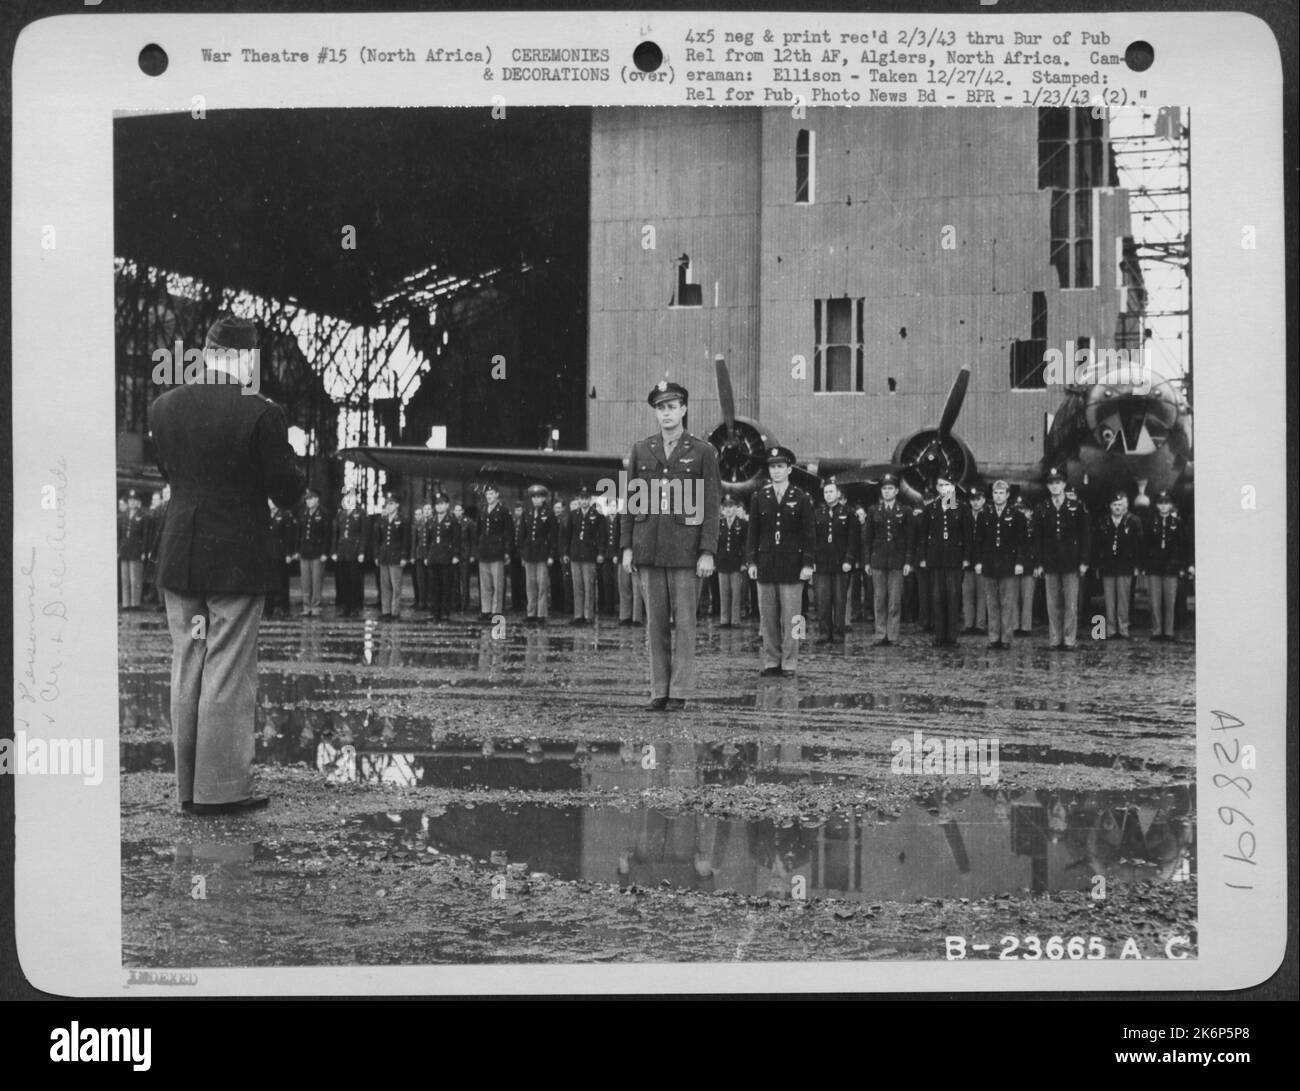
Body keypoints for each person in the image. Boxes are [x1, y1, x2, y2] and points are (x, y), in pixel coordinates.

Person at [149, 314, 305, 815]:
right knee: (227, 668)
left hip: (180, 553)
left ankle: (187, 789)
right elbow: (285, 490)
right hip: (236, 558)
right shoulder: (261, 413)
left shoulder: (164, 407)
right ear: (248, 359)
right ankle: (221, 790)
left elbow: (169, 473)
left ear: (206, 351)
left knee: (188, 661)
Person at [621, 380, 720, 710]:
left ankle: (679, 692)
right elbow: (631, 502)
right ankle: (658, 690)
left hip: (686, 552)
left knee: (686, 626)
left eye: (672, 407)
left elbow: (710, 504)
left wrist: (707, 551)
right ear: (656, 413)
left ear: (684, 410)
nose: (666, 413)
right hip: (648, 548)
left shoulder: (703, 451)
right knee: (655, 625)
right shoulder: (641, 449)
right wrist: (627, 547)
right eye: (660, 408)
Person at [746, 445, 815, 675]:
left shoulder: (801, 498)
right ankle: (771, 660)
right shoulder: (759, 497)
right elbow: (752, 532)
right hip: (766, 565)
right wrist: (752, 561)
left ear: (789, 469)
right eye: (772, 467)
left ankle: (790, 662)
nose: (775, 471)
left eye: (780, 467)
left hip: (793, 567)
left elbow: (809, 534)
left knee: (794, 618)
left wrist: (807, 564)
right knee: (768, 617)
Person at [1033, 467, 1091, 650]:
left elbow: (1085, 535)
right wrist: (1039, 563)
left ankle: (1069, 639)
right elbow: (1037, 538)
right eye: (1051, 483)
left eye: (1058, 483)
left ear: (1064, 484)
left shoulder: (1076, 507)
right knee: (1053, 603)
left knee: (1071, 603)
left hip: (1070, 562)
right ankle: (1055, 639)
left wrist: (1084, 561)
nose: (1055, 486)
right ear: (1048, 486)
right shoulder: (1042, 508)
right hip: (1050, 563)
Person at [916, 474, 971, 646]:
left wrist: (967, 558)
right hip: (936, 560)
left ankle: (952, 637)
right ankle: (939, 636)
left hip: (954, 560)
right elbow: (923, 536)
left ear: (953, 487)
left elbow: (968, 536)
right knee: (937, 597)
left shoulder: (962, 508)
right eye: (941, 485)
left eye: (947, 485)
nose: (944, 488)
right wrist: (923, 557)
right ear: (937, 488)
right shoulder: (931, 508)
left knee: (953, 597)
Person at [862, 471, 914, 646]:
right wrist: (867, 561)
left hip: (897, 562)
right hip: (878, 561)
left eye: (890, 488)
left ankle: (892, 635)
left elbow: (909, 539)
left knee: (894, 600)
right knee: (879, 598)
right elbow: (868, 538)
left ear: (897, 491)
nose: (887, 492)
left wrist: (908, 561)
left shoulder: (905, 511)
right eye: (884, 489)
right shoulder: (873, 510)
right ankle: (880, 633)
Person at [973, 479, 1027, 649]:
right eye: (996, 493)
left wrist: (1019, 562)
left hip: (1008, 565)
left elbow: (1021, 542)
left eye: (1002, 493)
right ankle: (994, 637)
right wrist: (979, 562)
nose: (998, 496)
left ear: (1008, 495)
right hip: (989, 564)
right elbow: (979, 541)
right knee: (992, 603)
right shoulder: (984, 514)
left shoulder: (1017, 515)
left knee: (1007, 603)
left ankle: (1006, 638)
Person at [1094, 490, 1144, 640]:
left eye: (1120, 505)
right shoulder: (1103, 521)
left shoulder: (1134, 521)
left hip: (1125, 566)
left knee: (1123, 599)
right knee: (1109, 599)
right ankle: (1110, 630)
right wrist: (1098, 565)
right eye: (1114, 505)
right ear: (1110, 506)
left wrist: (1137, 565)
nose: (1117, 507)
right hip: (1108, 566)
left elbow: (1139, 545)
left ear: (1126, 506)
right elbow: (1097, 545)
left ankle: (1123, 629)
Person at [812, 478, 857, 644]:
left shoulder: (849, 512)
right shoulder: (817, 513)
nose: (828, 494)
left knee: (839, 600)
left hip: (841, 564)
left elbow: (853, 539)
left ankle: (838, 633)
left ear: (838, 493)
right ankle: (824, 633)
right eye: (825, 492)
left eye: (831, 491)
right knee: (822, 601)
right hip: (822, 564)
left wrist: (849, 560)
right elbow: (813, 538)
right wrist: (813, 560)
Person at [1144, 490, 1192, 641]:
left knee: (1170, 600)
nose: (1164, 507)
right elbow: (1145, 545)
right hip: (1154, 566)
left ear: (1171, 505)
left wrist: (1183, 564)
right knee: (1155, 601)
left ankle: (1169, 631)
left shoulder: (1177, 523)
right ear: (1157, 505)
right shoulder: (1151, 522)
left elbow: (1184, 545)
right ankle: (1157, 630)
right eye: (1161, 503)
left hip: (1171, 567)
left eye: (1166, 503)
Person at [518, 483, 558, 626]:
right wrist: (522, 554)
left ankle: (541, 614)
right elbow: (522, 536)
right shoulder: (526, 513)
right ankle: (531, 613)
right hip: (529, 554)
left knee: (541, 585)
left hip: (542, 553)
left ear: (544, 499)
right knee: (530, 585)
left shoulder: (549, 514)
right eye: (534, 497)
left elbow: (553, 536)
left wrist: (551, 555)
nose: (536, 500)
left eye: (539, 497)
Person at [566, 486, 605, 626]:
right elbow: (567, 535)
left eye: (586, 499)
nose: (583, 501)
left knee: (589, 585)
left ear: (590, 500)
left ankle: (588, 615)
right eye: (581, 499)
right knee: (577, 585)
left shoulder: (597, 516)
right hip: (576, 554)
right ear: (579, 500)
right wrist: (565, 552)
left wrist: (600, 553)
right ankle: (578, 615)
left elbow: (601, 536)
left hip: (590, 554)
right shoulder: (573, 514)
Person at [424, 491, 462, 621]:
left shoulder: (452, 520)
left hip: (447, 557)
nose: (439, 507)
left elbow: (457, 539)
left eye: (442, 504)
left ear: (447, 505)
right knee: (434, 586)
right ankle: (434, 611)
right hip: (434, 556)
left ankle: (445, 612)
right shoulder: (431, 520)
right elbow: (428, 540)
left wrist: (456, 555)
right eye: (437, 504)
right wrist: (426, 556)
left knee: (446, 586)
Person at [372, 492, 409, 621]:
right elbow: (377, 539)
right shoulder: (382, 520)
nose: (389, 506)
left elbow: (405, 540)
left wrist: (404, 556)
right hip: (384, 556)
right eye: (387, 504)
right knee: (385, 585)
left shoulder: (402, 520)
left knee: (396, 585)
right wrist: (376, 555)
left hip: (396, 556)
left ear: (397, 505)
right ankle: (385, 610)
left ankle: (395, 611)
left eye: (391, 504)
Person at [331, 489, 367, 617]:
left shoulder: (360, 513)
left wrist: (361, 551)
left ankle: (355, 607)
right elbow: (336, 533)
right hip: (342, 551)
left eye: (351, 496)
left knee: (355, 580)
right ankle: (346, 607)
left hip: (355, 550)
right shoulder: (340, 514)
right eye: (347, 496)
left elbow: (363, 534)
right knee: (343, 580)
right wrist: (334, 551)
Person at [715, 494, 747, 627]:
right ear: (722, 509)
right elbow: (716, 544)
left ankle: (735, 620)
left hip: (736, 562)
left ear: (736, 508)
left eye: (731, 507)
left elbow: (745, 544)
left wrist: (745, 562)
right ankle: (724, 619)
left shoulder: (743, 524)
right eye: (726, 507)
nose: (728, 510)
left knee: (736, 593)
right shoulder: (719, 524)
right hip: (722, 562)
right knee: (724, 592)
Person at [296, 487, 329, 617]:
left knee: (316, 581)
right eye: (307, 499)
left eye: (310, 499)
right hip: (305, 552)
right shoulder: (303, 513)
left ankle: (315, 606)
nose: (308, 502)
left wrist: (325, 552)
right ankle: (306, 606)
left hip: (317, 552)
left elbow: (327, 534)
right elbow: (300, 533)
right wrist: (297, 550)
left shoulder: (324, 513)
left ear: (317, 499)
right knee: (305, 581)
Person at [961, 488, 989, 634]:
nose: (976, 502)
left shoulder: (988, 514)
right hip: (968, 560)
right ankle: (968, 624)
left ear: (983, 500)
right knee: (968, 593)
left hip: (983, 560)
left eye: (978, 499)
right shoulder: (966, 516)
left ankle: (980, 624)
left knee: (982, 594)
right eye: (973, 500)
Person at [117, 489, 147, 611]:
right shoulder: (122, 516)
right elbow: (119, 535)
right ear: (128, 502)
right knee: (125, 578)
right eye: (130, 501)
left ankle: (135, 604)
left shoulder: (142, 516)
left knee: (135, 578)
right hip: (124, 549)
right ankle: (126, 603)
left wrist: (144, 550)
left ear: (138, 502)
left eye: (134, 501)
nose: (132, 503)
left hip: (136, 549)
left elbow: (145, 535)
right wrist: (118, 550)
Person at [266, 499, 295, 618]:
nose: (271, 503)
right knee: (268, 582)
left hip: (280, 553)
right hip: (268, 554)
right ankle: (268, 609)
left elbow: (289, 536)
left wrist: (289, 553)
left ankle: (283, 608)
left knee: (282, 581)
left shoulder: (285, 515)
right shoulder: (265, 513)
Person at [1014, 496, 1038, 634]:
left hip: (1029, 565)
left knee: (1027, 597)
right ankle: (1015, 625)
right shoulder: (1012, 524)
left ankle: (1026, 626)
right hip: (1014, 565)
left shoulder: (1035, 526)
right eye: (1018, 510)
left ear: (1030, 512)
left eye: (1023, 510)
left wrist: (1036, 565)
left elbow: (1036, 546)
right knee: (1014, 597)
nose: (1021, 512)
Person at [599, 496, 621, 616]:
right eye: (610, 506)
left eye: (614, 506)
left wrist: (617, 554)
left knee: (616, 582)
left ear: (617, 507)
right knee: (606, 581)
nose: (612, 508)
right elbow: (601, 538)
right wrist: (601, 553)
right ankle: (608, 607)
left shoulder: (621, 519)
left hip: (617, 555)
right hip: (606, 555)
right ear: (607, 507)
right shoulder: (604, 520)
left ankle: (616, 607)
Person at [452, 501, 475, 613]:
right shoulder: (451, 522)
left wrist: (472, 554)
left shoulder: (468, 522)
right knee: (455, 581)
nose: (457, 512)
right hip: (454, 556)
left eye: (459, 510)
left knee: (465, 581)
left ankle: (465, 605)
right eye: (455, 510)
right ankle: (456, 603)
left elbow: (473, 539)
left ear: (463, 511)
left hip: (465, 554)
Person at [411, 499, 433, 612]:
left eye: (429, 509)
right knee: (421, 580)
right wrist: (413, 555)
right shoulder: (419, 523)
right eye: (425, 509)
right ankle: (422, 601)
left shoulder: (433, 522)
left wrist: (429, 556)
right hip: (420, 554)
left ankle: (430, 601)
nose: (427, 511)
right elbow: (416, 541)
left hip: (430, 556)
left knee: (430, 580)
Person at [508, 500, 527, 613]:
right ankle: (515, 603)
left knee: (523, 580)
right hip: (513, 553)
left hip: (523, 554)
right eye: (516, 510)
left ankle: (523, 602)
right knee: (514, 579)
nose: (517, 512)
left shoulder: (526, 521)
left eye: (519, 510)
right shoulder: (513, 521)